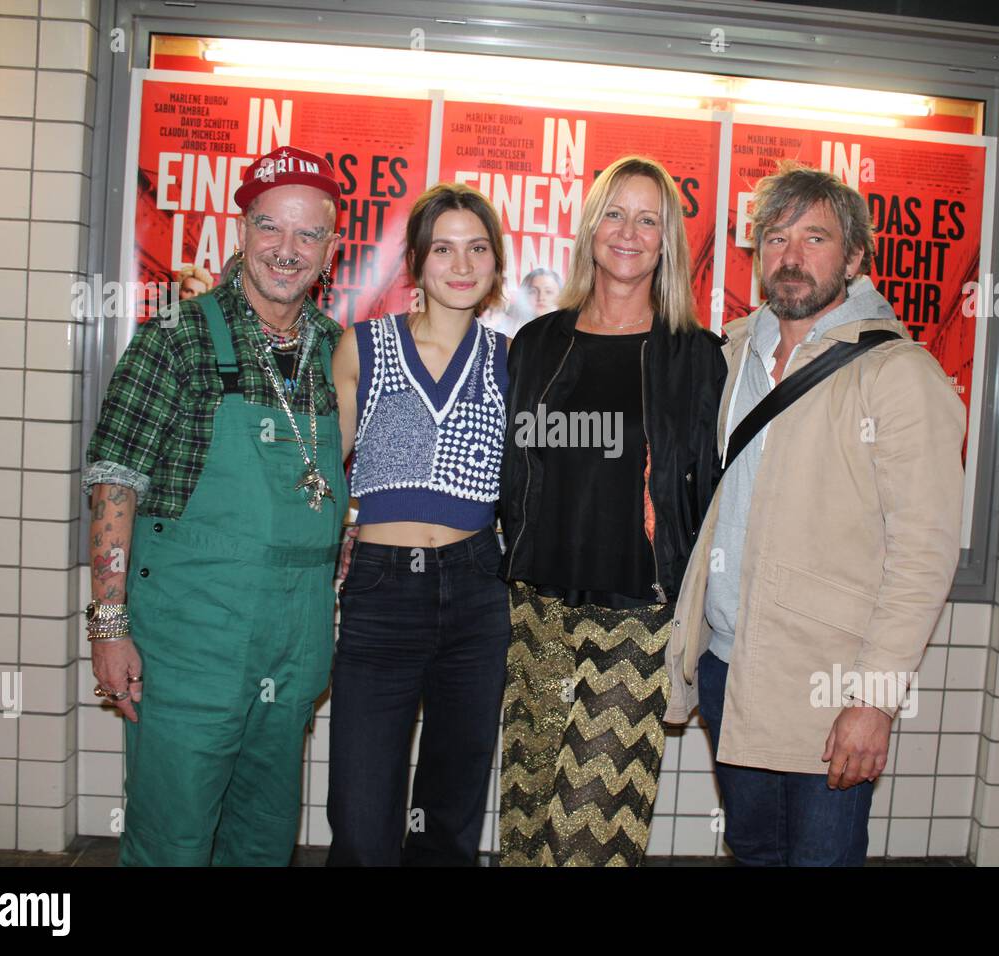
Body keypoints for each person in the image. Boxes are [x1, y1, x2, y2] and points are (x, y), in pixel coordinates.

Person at [663, 161, 965, 866]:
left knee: (821, 860)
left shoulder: (898, 375)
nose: (791, 258)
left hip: (831, 684)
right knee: (754, 849)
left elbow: (922, 556)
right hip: (729, 667)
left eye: (815, 238)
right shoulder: (735, 354)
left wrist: (874, 702)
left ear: (856, 256)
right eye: (774, 239)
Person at [83, 145, 346, 866]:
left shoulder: (336, 352)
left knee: (262, 839)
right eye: (270, 227)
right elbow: (113, 484)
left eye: (306, 235)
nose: (286, 251)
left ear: (331, 248)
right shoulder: (176, 338)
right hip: (190, 645)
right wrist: (108, 626)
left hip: (292, 648)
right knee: (172, 838)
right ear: (240, 231)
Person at [498, 155, 726, 866]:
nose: (629, 232)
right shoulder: (538, 343)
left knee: (588, 834)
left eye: (648, 219)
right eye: (615, 214)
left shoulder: (695, 356)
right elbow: (515, 471)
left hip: (638, 619)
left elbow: (713, 493)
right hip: (538, 613)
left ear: (668, 242)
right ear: (592, 228)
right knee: (526, 823)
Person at [325, 182, 511, 866]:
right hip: (381, 592)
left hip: (477, 591)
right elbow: (315, 478)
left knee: (449, 818)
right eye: (443, 249)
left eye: (477, 249)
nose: (461, 266)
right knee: (362, 817)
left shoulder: (511, 361)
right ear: (416, 263)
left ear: (495, 264)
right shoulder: (361, 348)